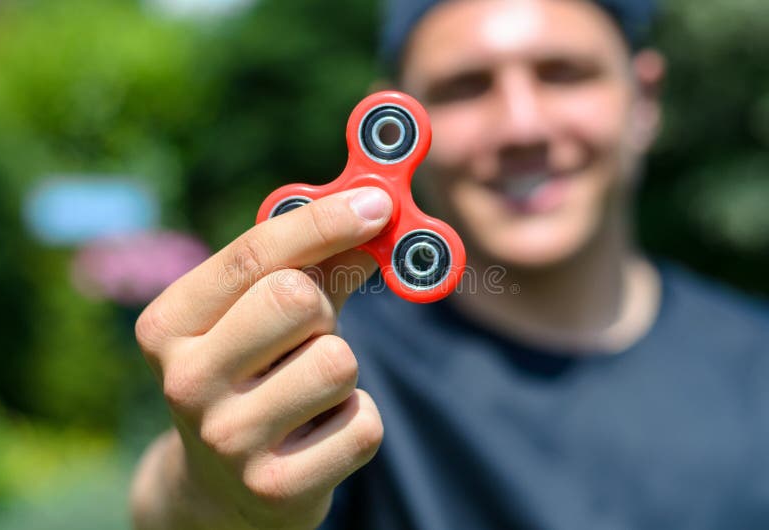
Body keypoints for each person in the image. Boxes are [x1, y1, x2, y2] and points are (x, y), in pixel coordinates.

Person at [130, 0, 769, 528]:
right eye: (466, 86)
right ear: (392, 121)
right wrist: (206, 489)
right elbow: (177, 504)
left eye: (564, 73)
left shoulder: (755, 364)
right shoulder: (328, 361)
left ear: (644, 99)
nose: (522, 127)